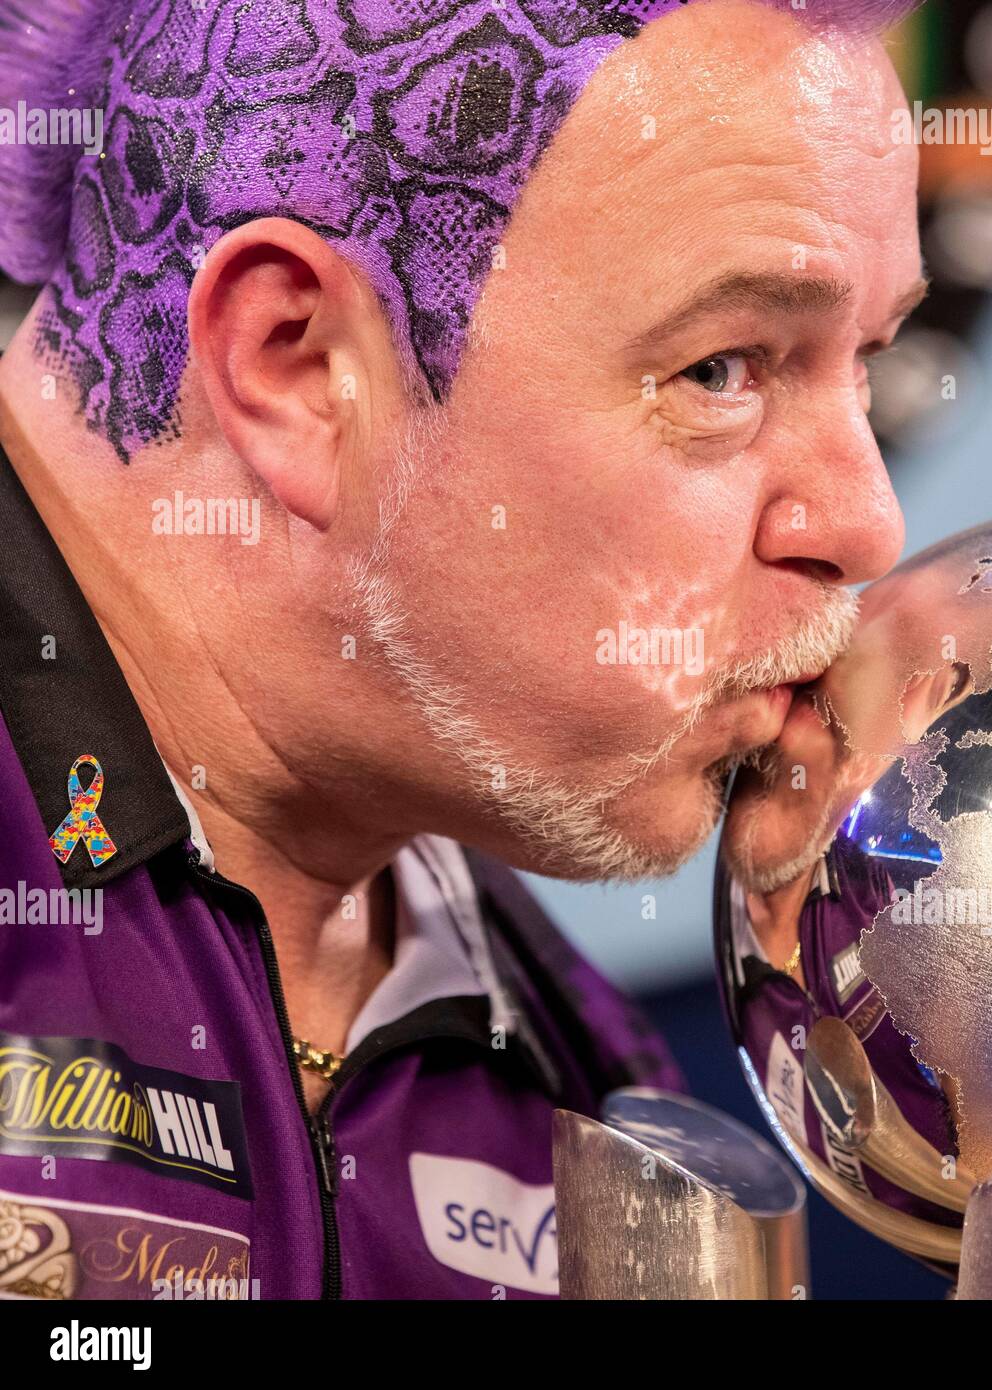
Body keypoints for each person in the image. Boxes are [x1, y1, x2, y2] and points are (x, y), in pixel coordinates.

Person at [0, 0, 926, 1298]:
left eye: (867, 366)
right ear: (298, 363)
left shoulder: (585, 1088)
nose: (867, 520)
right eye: (725, 368)